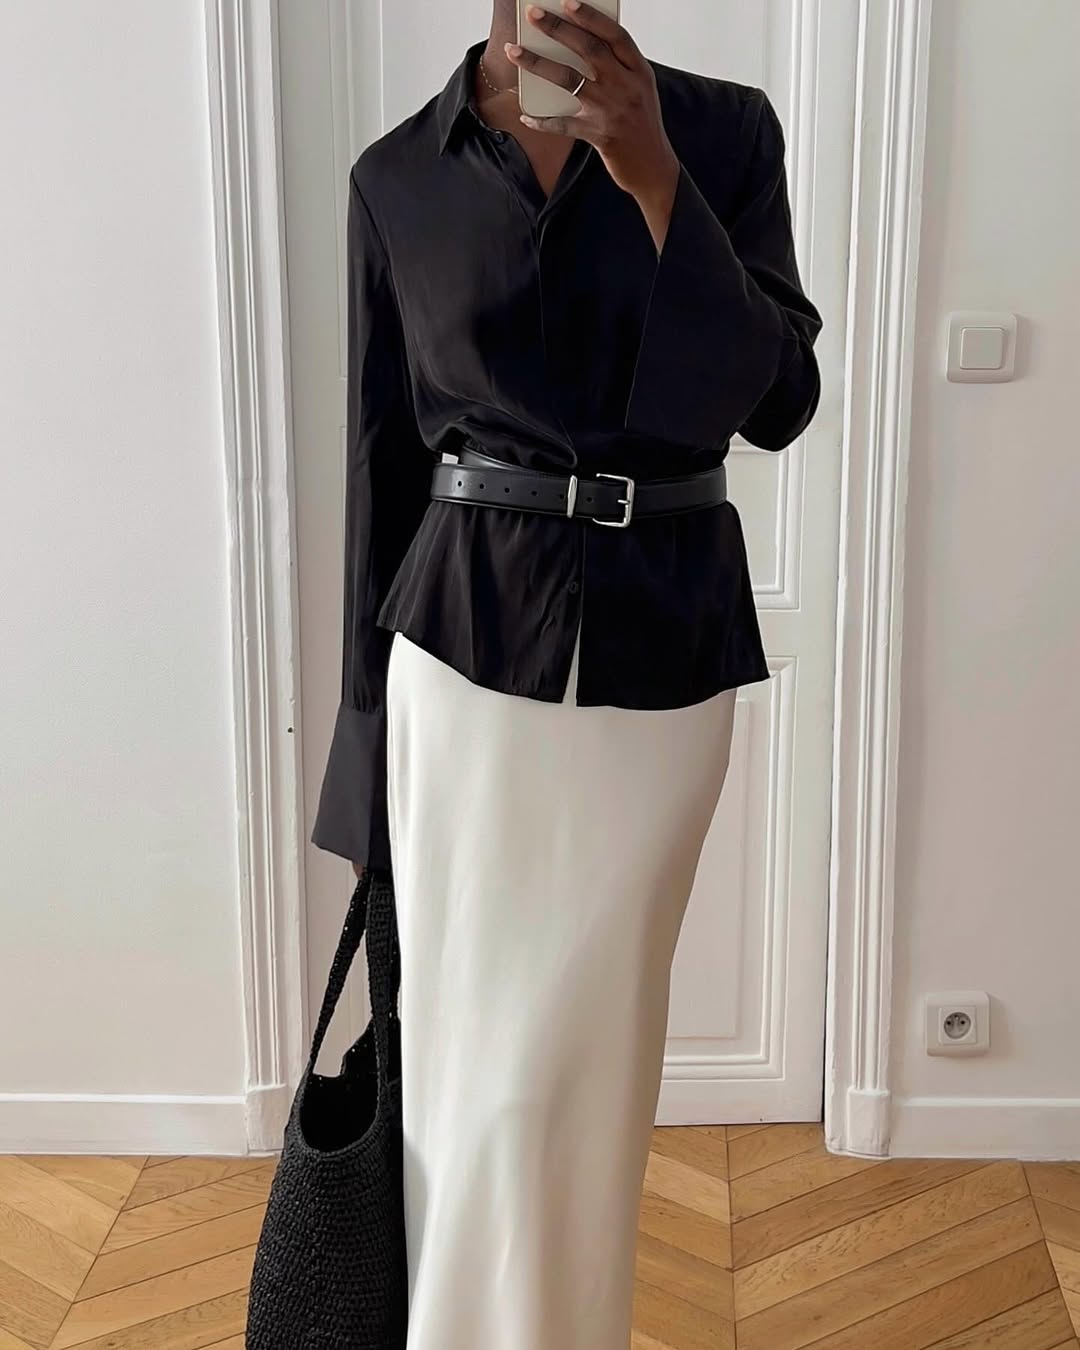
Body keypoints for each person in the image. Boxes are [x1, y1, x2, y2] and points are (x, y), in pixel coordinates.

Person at [311, 1, 822, 1345]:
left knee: (583, 1077)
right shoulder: (394, 175)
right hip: (462, 657)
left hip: (664, 653)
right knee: (477, 1069)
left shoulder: (720, 132)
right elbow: (381, 468)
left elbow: (777, 401)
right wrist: (363, 757)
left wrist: (653, 175)